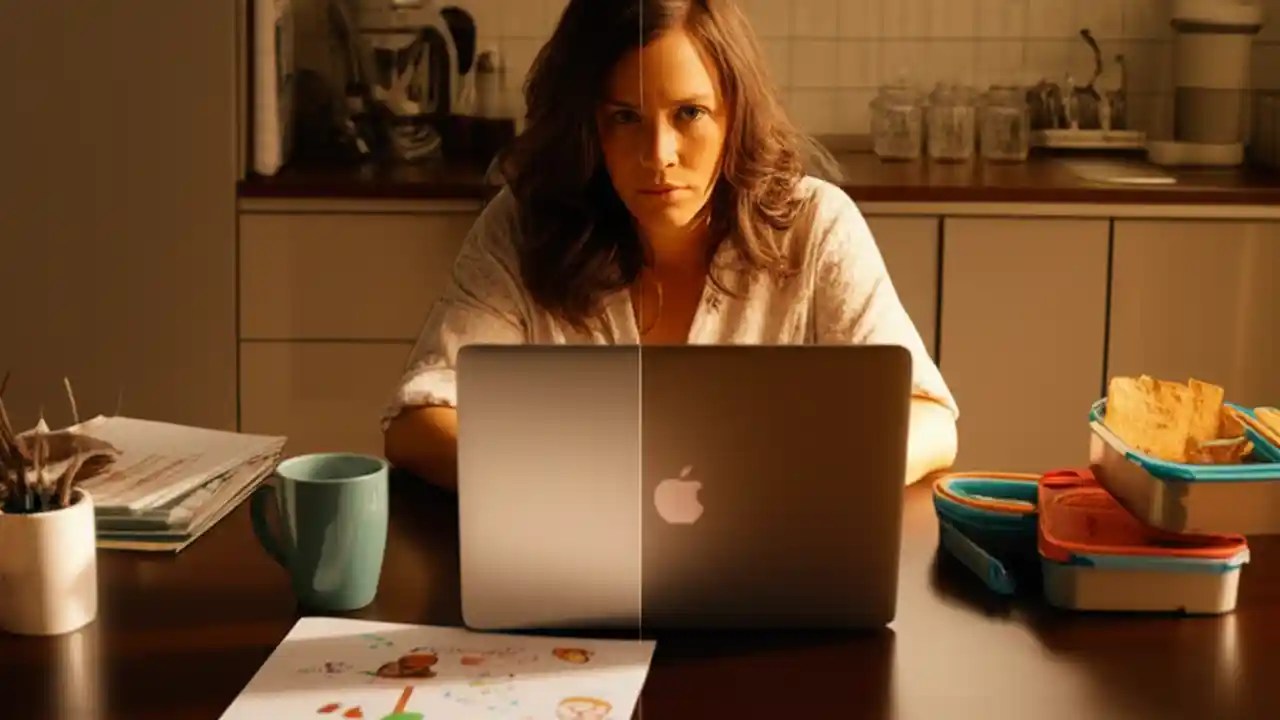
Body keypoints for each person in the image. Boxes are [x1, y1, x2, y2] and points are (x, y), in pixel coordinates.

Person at [382, 0, 958, 492]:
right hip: (576, 578)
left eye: (690, 113)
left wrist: (807, 475)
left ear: (735, 113)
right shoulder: (523, 224)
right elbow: (419, 421)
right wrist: (561, 480)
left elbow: (931, 420)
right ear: (585, 125)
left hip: (768, 587)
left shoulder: (816, 224)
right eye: (626, 117)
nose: (659, 153)